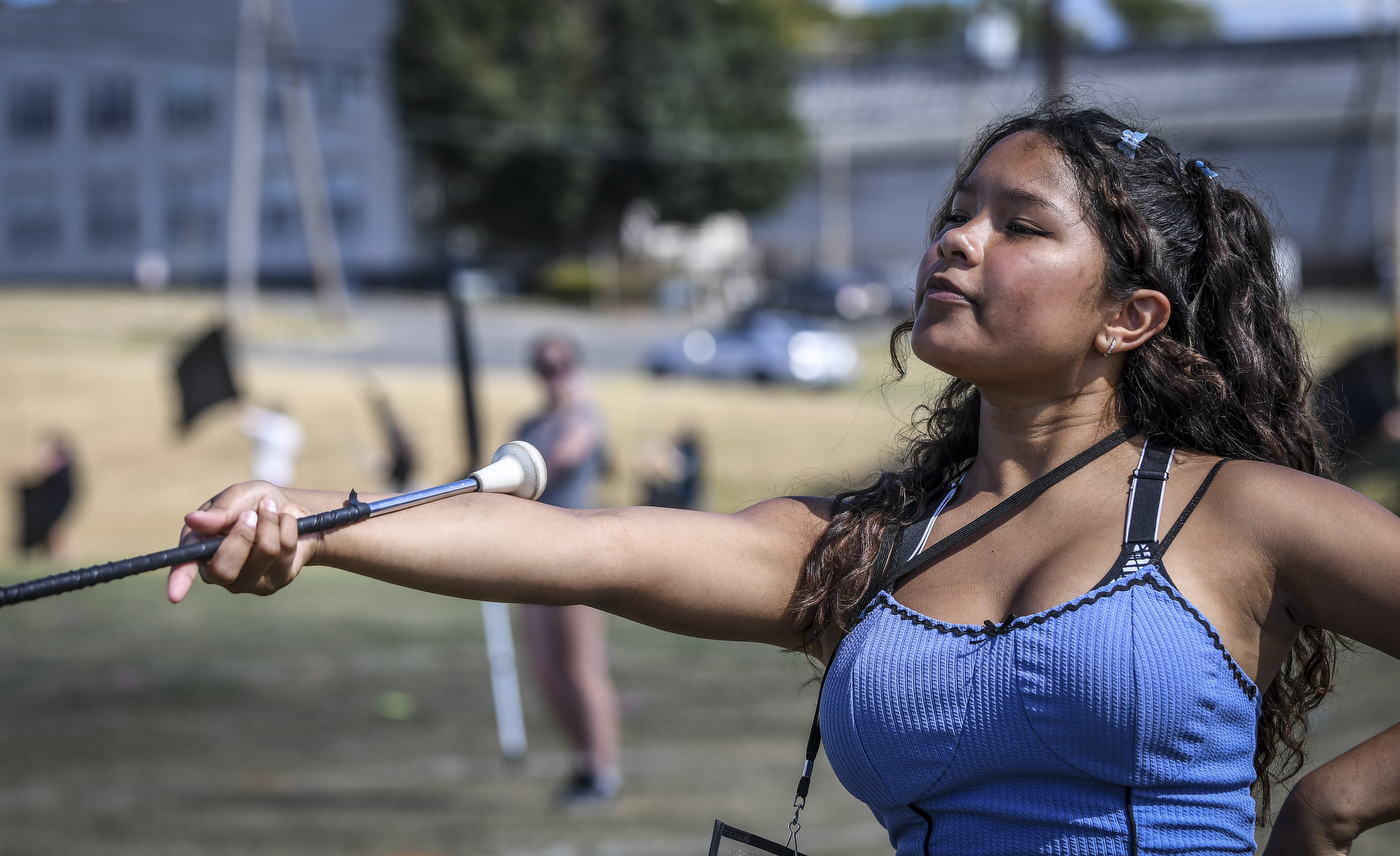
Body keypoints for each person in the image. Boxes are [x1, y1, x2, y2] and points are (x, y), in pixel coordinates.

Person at [167, 100, 1400, 854]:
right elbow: (589, 547)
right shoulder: (869, 546)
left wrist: (1329, 807)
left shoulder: (1228, 511)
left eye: (1020, 225)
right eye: (956, 211)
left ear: (1127, 316)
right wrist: (317, 528)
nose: (955, 238)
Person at [515, 335, 622, 806]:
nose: (552, 372)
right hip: (529, 552)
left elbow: (561, 462)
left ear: (573, 366)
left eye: (560, 364)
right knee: (545, 667)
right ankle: (583, 763)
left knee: (581, 665)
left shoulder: (586, 417)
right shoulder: (530, 423)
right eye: (544, 365)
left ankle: (603, 770)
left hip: (578, 551)